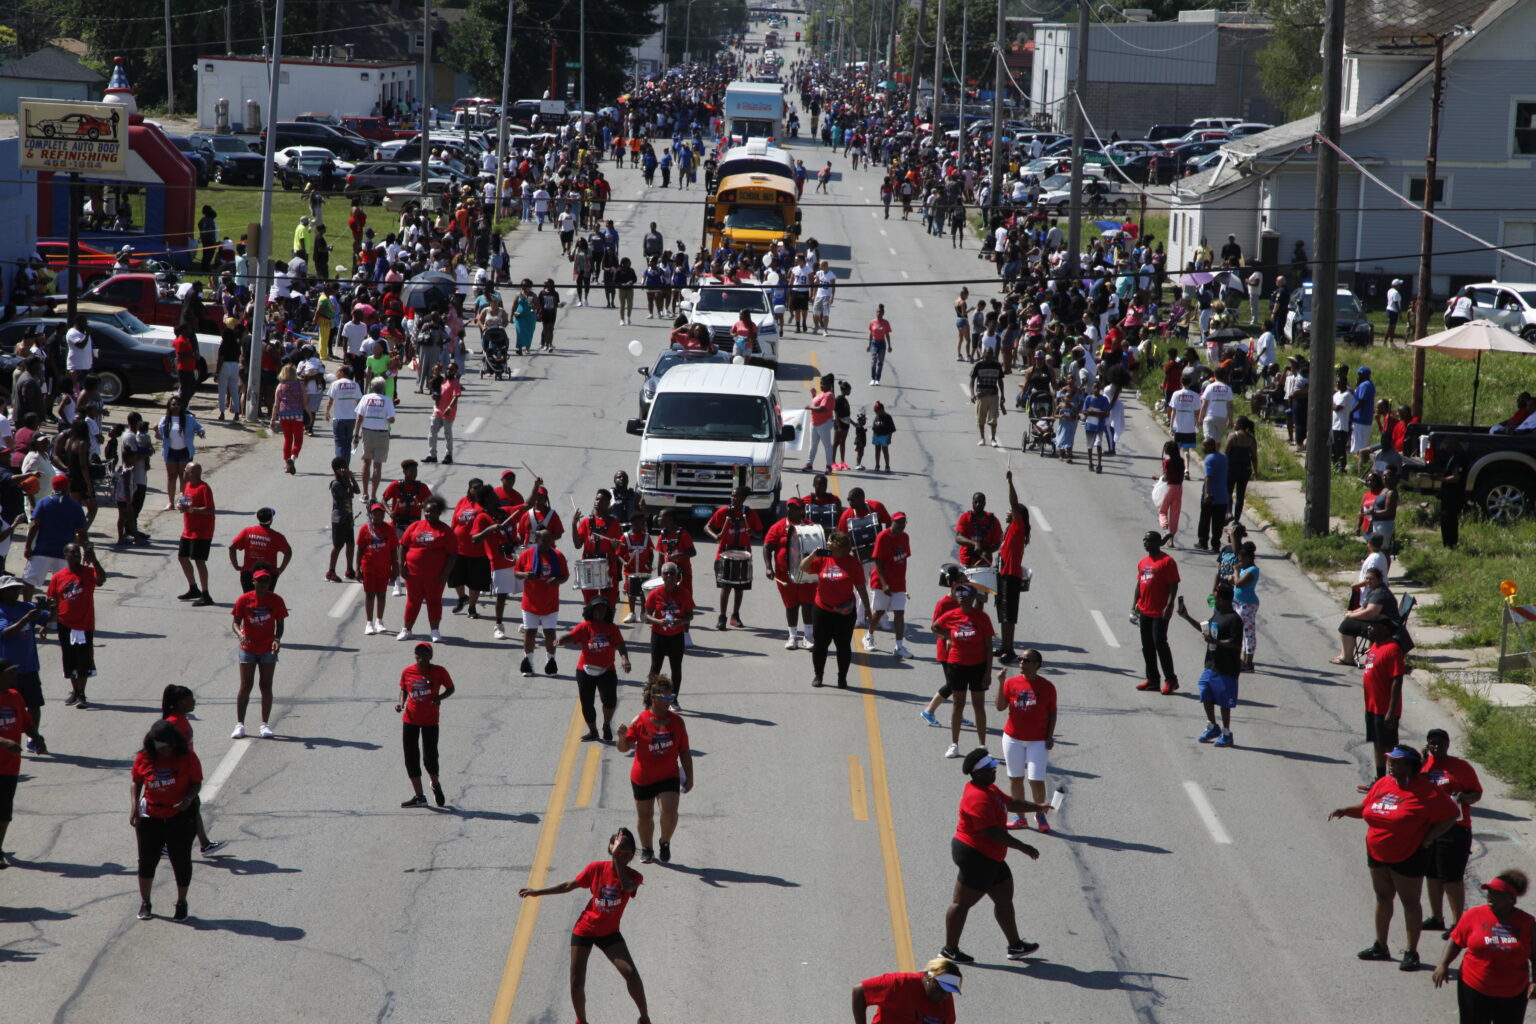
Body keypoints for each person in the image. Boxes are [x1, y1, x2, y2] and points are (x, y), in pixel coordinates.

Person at [1329, 744, 1460, 971]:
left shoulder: (1427, 790)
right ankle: (1380, 946)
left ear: (1410, 765)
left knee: (1409, 902)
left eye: (1397, 761)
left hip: (1409, 855)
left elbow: (1451, 815)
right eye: (1390, 760)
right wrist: (1345, 810)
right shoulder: (1383, 783)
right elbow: (1366, 808)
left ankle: (1411, 952)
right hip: (1377, 852)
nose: (1391, 764)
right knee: (1382, 897)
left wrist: (1429, 837)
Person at [517, 829, 652, 1024]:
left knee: (631, 974)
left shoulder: (634, 876)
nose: (622, 854)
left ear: (631, 855)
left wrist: (618, 861)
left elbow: (628, 887)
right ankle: (581, 1021)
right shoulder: (596, 868)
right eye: (618, 849)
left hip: (609, 933)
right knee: (576, 980)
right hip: (585, 929)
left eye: (627, 852)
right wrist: (537, 892)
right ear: (610, 847)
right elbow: (568, 885)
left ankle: (645, 1018)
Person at [941, 748, 1050, 965]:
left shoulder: (988, 788)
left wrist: (1038, 807)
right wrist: (1023, 847)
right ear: (979, 773)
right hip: (976, 856)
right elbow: (992, 832)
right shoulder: (977, 797)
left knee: (1004, 898)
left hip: (991, 855)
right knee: (961, 903)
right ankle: (949, 950)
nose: (995, 771)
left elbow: (1011, 803)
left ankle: (1015, 946)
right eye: (991, 769)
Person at [1431, 870, 1535, 1020]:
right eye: (1489, 892)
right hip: (1474, 987)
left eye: (1497, 893)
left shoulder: (1527, 923)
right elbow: (1455, 940)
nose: (1490, 896)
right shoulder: (1474, 915)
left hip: (1513, 993)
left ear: (1511, 899)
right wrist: (1443, 964)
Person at [616, 674, 694, 865]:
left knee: (669, 811)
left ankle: (664, 842)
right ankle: (648, 849)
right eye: (665, 697)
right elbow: (624, 748)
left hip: (669, 775)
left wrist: (689, 776)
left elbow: (684, 751)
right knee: (645, 816)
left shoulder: (677, 722)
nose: (669, 701)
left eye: (671, 697)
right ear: (654, 697)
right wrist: (622, 737)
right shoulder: (641, 721)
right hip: (643, 777)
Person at [131, 719, 203, 921]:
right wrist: (134, 807)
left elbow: (196, 784)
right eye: (158, 746)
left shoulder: (187, 757)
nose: (162, 750)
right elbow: (136, 783)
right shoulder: (144, 757)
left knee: (180, 859)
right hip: (151, 816)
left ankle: (181, 902)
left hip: (179, 816)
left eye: (166, 746)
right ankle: (146, 902)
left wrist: (187, 800)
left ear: (174, 743)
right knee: (146, 861)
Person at [1420, 729, 1483, 938]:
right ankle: (1437, 917)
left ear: (1448, 744)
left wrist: (1463, 798)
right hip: (1429, 827)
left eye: (1440, 743)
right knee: (1431, 874)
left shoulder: (1460, 767)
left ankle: (1458, 922)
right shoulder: (1423, 765)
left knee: (1451, 877)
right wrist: (1420, 764)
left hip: (1456, 827)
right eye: (1432, 743)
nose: (1436, 746)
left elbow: (1477, 793)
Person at [924, 583, 997, 757]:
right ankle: (954, 744)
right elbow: (935, 627)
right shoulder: (950, 615)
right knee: (958, 704)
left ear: (973, 598)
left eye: (966, 593)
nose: (962, 595)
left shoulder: (982, 618)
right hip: (956, 665)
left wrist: (988, 672)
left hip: (977, 666)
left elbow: (988, 647)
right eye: (959, 593)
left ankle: (982, 745)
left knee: (978, 705)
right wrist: (947, 636)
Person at [1174, 583, 1244, 748]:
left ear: (1224, 599)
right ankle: (1213, 726)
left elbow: (1236, 644)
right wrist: (1187, 617)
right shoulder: (1217, 614)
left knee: (1225, 703)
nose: (1215, 600)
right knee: (1205, 691)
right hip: (1211, 664)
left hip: (1227, 668)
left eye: (1217, 597)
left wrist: (1216, 642)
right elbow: (1205, 629)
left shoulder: (1235, 620)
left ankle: (1227, 733)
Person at [800, 530, 870, 689]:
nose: (827, 544)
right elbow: (803, 567)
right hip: (822, 610)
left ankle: (842, 678)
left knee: (843, 646)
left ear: (839, 546)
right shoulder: (824, 558)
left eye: (830, 542)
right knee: (820, 646)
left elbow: (861, 588)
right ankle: (818, 675)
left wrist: (867, 609)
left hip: (844, 614)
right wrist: (812, 555)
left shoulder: (853, 563)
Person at [995, 650, 1056, 832]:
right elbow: (999, 707)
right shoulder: (1011, 683)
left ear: (1037, 664)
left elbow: (1052, 713)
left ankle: (1040, 814)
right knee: (1015, 778)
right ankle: (1020, 817)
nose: (1021, 662)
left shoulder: (1047, 686)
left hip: (1037, 740)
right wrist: (1000, 683)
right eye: (1020, 659)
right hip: (1013, 738)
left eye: (1026, 660)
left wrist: (1049, 736)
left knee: (1036, 780)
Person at [161, 684, 224, 854]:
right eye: (190, 700)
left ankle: (204, 843)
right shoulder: (172, 723)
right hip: (178, 774)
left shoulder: (182, 718)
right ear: (180, 703)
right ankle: (164, 843)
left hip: (188, 770)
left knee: (192, 805)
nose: (194, 702)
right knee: (181, 808)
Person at [559, 597, 631, 743]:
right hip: (585, 670)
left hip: (607, 670)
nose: (600, 611)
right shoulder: (585, 626)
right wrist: (560, 639)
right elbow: (572, 636)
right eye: (597, 609)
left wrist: (625, 659)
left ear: (607, 611)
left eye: (603, 609)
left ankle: (606, 725)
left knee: (609, 702)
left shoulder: (612, 628)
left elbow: (620, 645)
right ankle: (593, 731)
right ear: (591, 610)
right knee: (587, 703)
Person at [230, 569, 287, 739]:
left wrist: (277, 639)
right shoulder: (244, 599)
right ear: (253, 582)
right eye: (259, 581)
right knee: (246, 685)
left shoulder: (276, 600)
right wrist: (241, 635)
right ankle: (240, 724)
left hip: (268, 649)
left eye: (266, 581)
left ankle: (265, 724)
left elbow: (280, 624)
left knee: (266, 685)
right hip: (248, 649)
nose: (263, 584)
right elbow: (235, 622)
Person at [0, 660, 47, 867]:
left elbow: (26, 722)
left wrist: (36, 736)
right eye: (11, 674)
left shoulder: (16, 697)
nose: (15, 677)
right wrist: (3, 741)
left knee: (4, 812)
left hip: (10, 766)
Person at [47, 542, 105, 709]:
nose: (76, 556)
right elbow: (53, 602)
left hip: (84, 624)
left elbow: (101, 579)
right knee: (69, 659)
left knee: (83, 660)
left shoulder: (88, 572)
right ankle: (75, 691)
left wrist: (94, 560)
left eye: (78, 553)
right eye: (72, 553)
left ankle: (81, 693)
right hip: (65, 624)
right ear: (65, 555)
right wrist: (47, 622)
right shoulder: (58, 577)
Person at [396, 641, 454, 807]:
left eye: (424, 654)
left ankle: (435, 785)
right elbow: (404, 689)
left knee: (430, 757)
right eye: (418, 654)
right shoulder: (408, 672)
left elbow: (451, 688)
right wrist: (401, 703)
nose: (421, 658)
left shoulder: (439, 671)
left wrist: (439, 698)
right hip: (410, 720)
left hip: (430, 721)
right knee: (411, 758)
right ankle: (419, 796)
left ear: (430, 656)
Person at [398, 496, 457, 643]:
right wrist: (401, 565)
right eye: (426, 511)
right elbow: (403, 545)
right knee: (413, 601)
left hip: (435, 576)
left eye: (432, 512)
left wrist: (445, 574)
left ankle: (435, 631)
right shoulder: (415, 526)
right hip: (413, 574)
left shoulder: (445, 531)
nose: (428, 514)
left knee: (434, 601)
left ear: (439, 513)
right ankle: (407, 630)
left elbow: (452, 554)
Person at [763, 498, 817, 650]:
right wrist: (768, 567)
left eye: (795, 508)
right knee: (791, 605)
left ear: (802, 510)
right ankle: (792, 636)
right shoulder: (778, 527)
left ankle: (808, 636)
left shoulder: (811, 526)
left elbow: (818, 548)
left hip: (807, 573)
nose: (791, 511)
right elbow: (767, 547)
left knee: (808, 603)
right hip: (785, 573)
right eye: (789, 508)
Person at [514, 528, 568, 677]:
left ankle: (551, 663)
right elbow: (516, 573)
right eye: (544, 540)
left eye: (549, 539)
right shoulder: (527, 555)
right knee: (530, 632)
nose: (547, 543)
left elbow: (565, 576)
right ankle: (528, 663)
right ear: (537, 540)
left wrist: (557, 580)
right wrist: (526, 575)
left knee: (549, 633)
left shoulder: (558, 556)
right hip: (530, 602)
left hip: (550, 603)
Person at [1133, 531, 1181, 694]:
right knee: (1147, 647)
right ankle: (1153, 680)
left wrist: (1169, 605)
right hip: (1145, 610)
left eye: (1149, 540)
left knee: (1160, 644)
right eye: (1144, 540)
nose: (1146, 543)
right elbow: (1139, 585)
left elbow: (1173, 585)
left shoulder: (1167, 562)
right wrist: (1134, 605)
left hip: (1160, 612)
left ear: (1158, 542)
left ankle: (1171, 680)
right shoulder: (1143, 562)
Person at [851, 959, 962, 1023]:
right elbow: (859, 991)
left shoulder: (944, 1001)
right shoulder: (899, 984)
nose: (945, 996)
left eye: (949, 991)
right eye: (942, 989)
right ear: (929, 978)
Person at [994, 473, 1030, 664]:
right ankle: (1004, 647)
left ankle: (1010, 649)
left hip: (1011, 577)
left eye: (1011, 511)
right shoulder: (1008, 532)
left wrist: (1010, 482)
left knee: (1009, 616)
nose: (1008, 511)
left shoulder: (1018, 528)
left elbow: (1015, 503)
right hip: (1002, 575)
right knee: (1002, 614)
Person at [867, 512, 912, 657]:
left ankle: (899, 646)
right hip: (881, 582)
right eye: (898, 522)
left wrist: (901, 581)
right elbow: (878, 561)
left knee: (899, 613)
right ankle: (869, 636)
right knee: (879, 612)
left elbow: (903, 559)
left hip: (899, 583)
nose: (900, 525)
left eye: (903, 522)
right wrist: (884, 583)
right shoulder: (883, 537)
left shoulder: (905, 537)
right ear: (892, 522)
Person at [643, 561, 693, 693]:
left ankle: (674, 699)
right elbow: (646, 616)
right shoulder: (655, 594)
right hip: (658, 636)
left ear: (677, 576)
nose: (669, 576)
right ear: (661, 576)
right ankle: (649, 697)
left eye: (672, 573)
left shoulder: (684, 593)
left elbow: (690, 615)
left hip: (676, 636)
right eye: (666, 573)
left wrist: (680, 622)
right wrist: (659, 621)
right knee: (655, 668)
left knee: (676, 669)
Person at [177, 462, 217, 607]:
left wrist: (192, 510)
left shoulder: (204, 488)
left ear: (192, 473)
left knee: (199, 561)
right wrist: (182, 506)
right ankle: (193, 588)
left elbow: (211, 510)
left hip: (202, 532)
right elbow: (185, 501)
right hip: (188, 530)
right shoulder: (187, 485)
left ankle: (206, 594)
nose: (184, 472)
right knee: (182, 558)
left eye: (185, 470)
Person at [357, 501, 401, 636]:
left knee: (381, 594)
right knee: (370, 594)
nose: (378, 517)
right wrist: (357, 568)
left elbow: (394, 551)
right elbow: (360, 549)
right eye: (375, 515)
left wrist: (395, 570)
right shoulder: (365, 529)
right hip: (369, 567)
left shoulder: (390, 529)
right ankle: (369, 623)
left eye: (381, 515)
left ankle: (379, 621)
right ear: (371, 515)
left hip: (384, 567)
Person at [227, 506, 292, 595]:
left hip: (248, 572)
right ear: (271, 520)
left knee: (248, 599)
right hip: (268, 575)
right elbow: (288, 552)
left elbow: (232, 547)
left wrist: (236, 566)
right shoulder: (277, 537)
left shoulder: (248, 531)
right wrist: (281, 569)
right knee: (266, 600)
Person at [355, 378, 397, 503]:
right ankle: (373, 495)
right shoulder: (387, 400)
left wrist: (356, 435)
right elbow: (392, 419)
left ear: (372, 387)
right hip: (382, 434)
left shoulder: (366, 398)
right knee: (377, 465)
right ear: (383, 388)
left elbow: (359, 417)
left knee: (366, 462)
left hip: (367, 432)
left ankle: (365, 494)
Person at [326, 457, 361, 582]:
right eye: (343, 467)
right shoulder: (336, 484)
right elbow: (349, 494)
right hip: (339, 519)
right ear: (337, 470)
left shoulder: (346, 480)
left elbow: (357, 491)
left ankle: (349, 569)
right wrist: (347, 479)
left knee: (350, 544)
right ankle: (331, 571)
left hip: (348, 518)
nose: (346, 469)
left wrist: (351, 478)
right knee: (338, 545)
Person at [1230, 541, 1260, 671]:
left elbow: (1239, 584)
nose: (1239, 563)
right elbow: (1235, 581)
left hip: (1247, 604)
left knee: (1248, 634)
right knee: (1241, 633)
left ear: (1248, 558)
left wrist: (1236, 571)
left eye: (1241, 561)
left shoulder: (1253, 570)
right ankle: (1243, 659)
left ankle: (1249, 663)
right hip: (1238, 603)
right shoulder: (1244, 569)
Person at [271, 364, 307, 474]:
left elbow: (276, 404)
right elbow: (305, 402)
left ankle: (287, 465)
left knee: (287, 439)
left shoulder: (280, 386)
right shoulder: (300, 385)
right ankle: (292, 457)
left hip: (284, 415)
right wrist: (309, 415)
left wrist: (272, 419)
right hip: (297, 416)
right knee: (298, 440)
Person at [1196, 438, 1229, 550]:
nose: (1202, 448)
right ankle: (1216, 544)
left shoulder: (1209, 459)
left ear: (1211, 446)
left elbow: (1208, 477)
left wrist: (1206, 493)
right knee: (1218, 522)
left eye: (1204, 446)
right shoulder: (1224, 457)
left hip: (1211, 495)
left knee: (1205, 520)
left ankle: (1203, 542)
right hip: (1222, 495)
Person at [426, 364, 461, 465]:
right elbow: (436, 390)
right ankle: (432, 455)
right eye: (448, 368)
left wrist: (449, 407)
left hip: (448, 413)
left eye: (451, 369)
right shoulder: (443, 380)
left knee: (447, 434)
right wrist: (434, 396)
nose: (449, 371)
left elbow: (456, 396)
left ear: (455, 371)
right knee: (432, 432)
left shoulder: (455, 383)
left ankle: (448, 455)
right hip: (438, 411)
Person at [1439, 438, 1470, 549]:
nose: (1446, 449)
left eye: (1448, 446)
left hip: (1454, 494)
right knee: (1445, 519)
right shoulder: (1452, 457)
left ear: (1453, 445)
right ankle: (1446, 543)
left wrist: (1440, 479)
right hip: (1447, 493)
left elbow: (1456, 477)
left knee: (1451, 519)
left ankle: (1452, 543)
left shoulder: (1459, 458)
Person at [970, 348, 1005, 447]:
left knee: (993, 419)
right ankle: (982, 438)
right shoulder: (978, 365)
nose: (989, 356)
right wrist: (972, 394)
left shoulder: (997, 365)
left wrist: (1002, 394)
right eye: (988, 353)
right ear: (984, 354)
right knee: (981, 418)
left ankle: (993, 439)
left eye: (991, 354)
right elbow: (972, 380)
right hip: (981, 395)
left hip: (993, 395)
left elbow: (1000, 381)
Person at [805, 375, 837, 471]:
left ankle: (828, 466)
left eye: (823, 384)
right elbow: (817, 404)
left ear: (829, 384)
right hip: (814, 423)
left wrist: (809, 408)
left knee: (826, 445)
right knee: (813, 444)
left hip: (823, 423)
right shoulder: (823, 394)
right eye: (820, 384)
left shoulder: (829, 395)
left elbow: (822, 409)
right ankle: (809, 464)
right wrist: (814, 395)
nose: (821, 385)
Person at [1158, 439, 1185, 547]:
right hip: (1178, 488)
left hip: (1168, 488)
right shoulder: (1181, 461)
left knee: (1162, 511)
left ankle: (1165, 530)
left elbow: (1166, 476)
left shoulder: (1167, 462)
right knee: (1175, 513)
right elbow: (1181, 476)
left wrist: (1159, 479)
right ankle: (1171, 539)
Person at [867, 304, 893, 385]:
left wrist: (889, 346)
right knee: (874, 359)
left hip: (882, 343)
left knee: (880, 362)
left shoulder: (885, 323)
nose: (878, 314)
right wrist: (869, 344)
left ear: (883, 313)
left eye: (880, 312)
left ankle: (877, 379)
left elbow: (887, 334)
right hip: (874, 343)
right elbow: (871, 334)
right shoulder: (872, 322)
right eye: (877, 312)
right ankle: (872, 378)